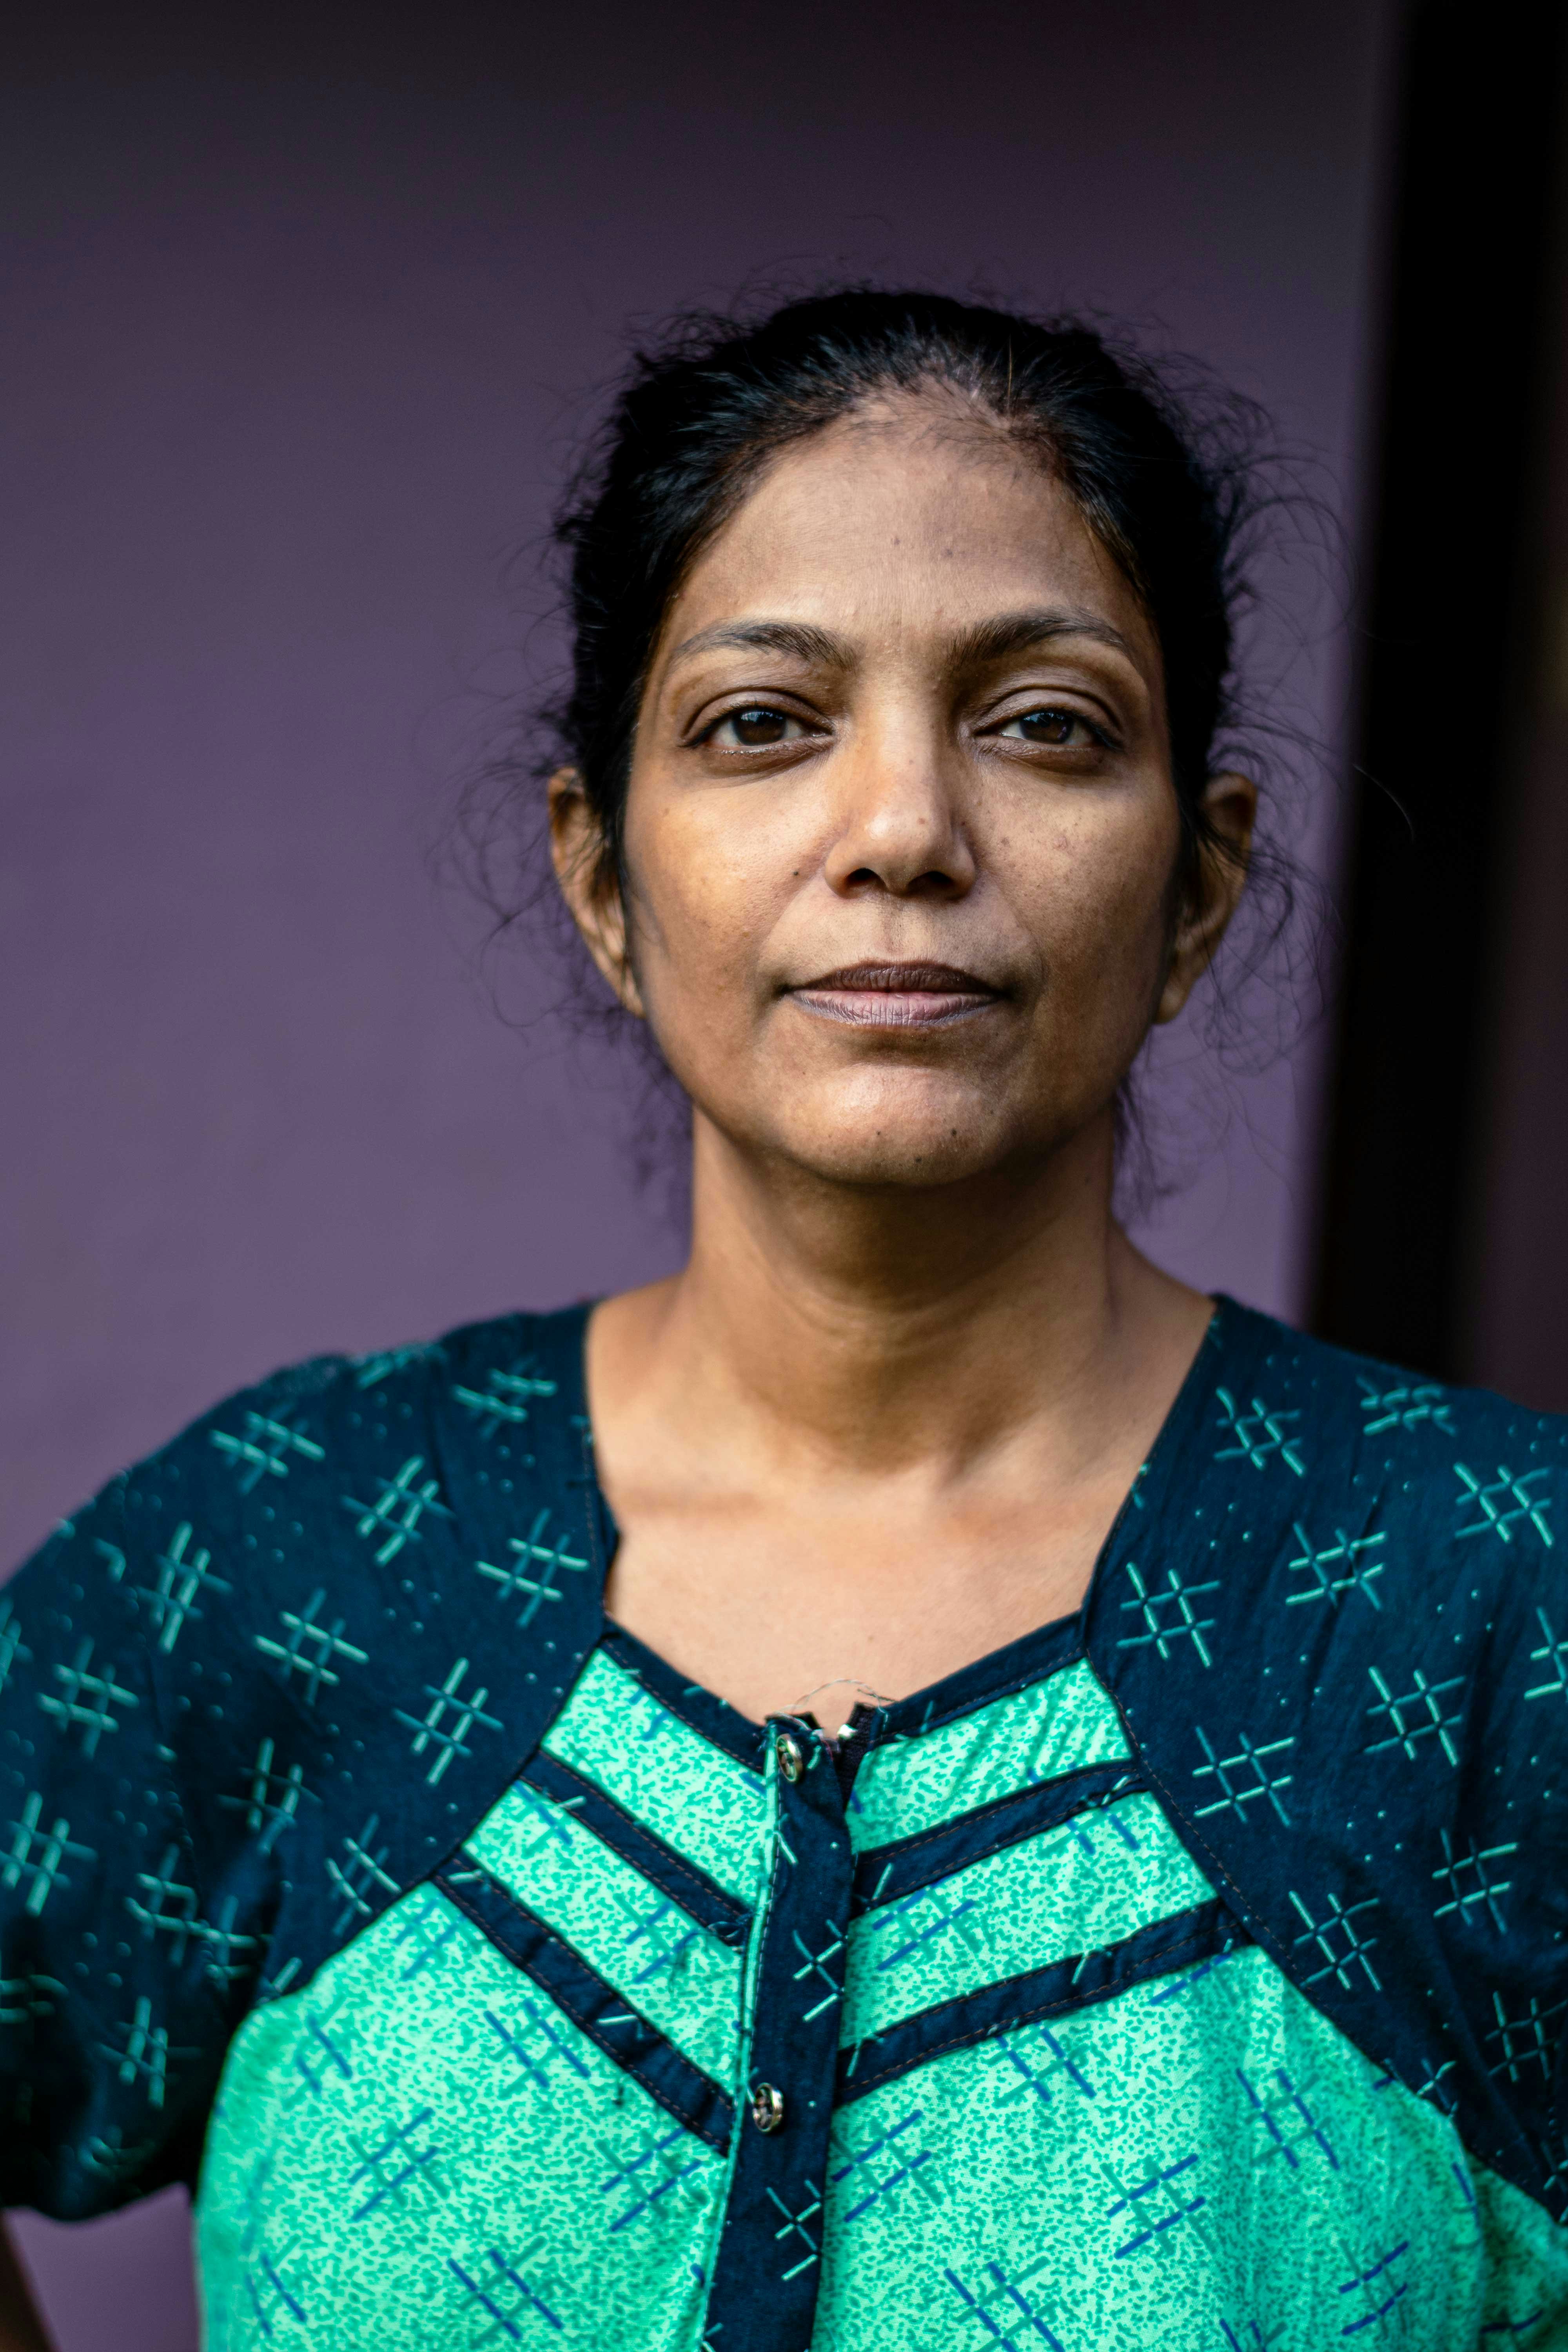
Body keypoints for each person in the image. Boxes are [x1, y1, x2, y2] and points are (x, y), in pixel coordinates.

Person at [2, 288, 1565, 2352]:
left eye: (1048, 724)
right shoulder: (309, 1554)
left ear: (1196, 885)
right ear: (600, 875)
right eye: (764, 722)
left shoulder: (1488, 1603)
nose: (905, 834)